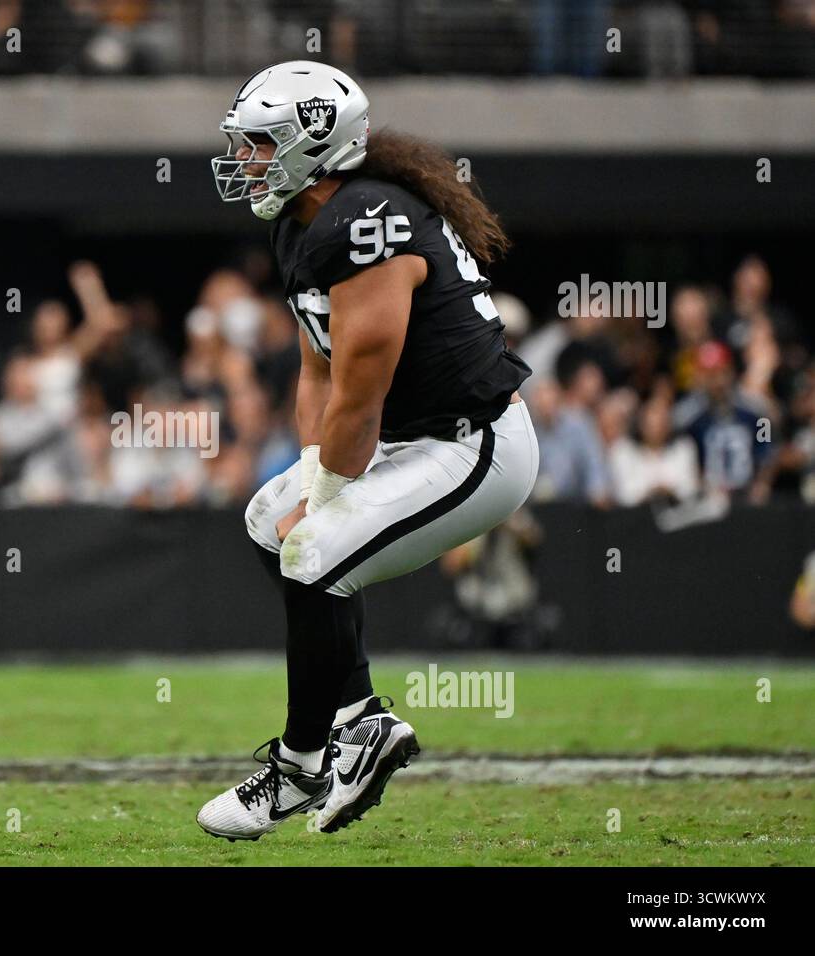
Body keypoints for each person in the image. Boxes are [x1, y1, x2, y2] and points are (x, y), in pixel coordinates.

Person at [198, 61, 537, 841]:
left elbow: (360, 395)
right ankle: (358, 719)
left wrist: (323, 500)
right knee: (266, 519)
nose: (245, 160)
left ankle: (300, 763)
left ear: (313, 143)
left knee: (312, 548)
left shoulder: (368, 220)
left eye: (260, 144)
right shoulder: (301, 219)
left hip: (476, 445)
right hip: (410, 438)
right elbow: (318, 367)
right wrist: (311, 473)